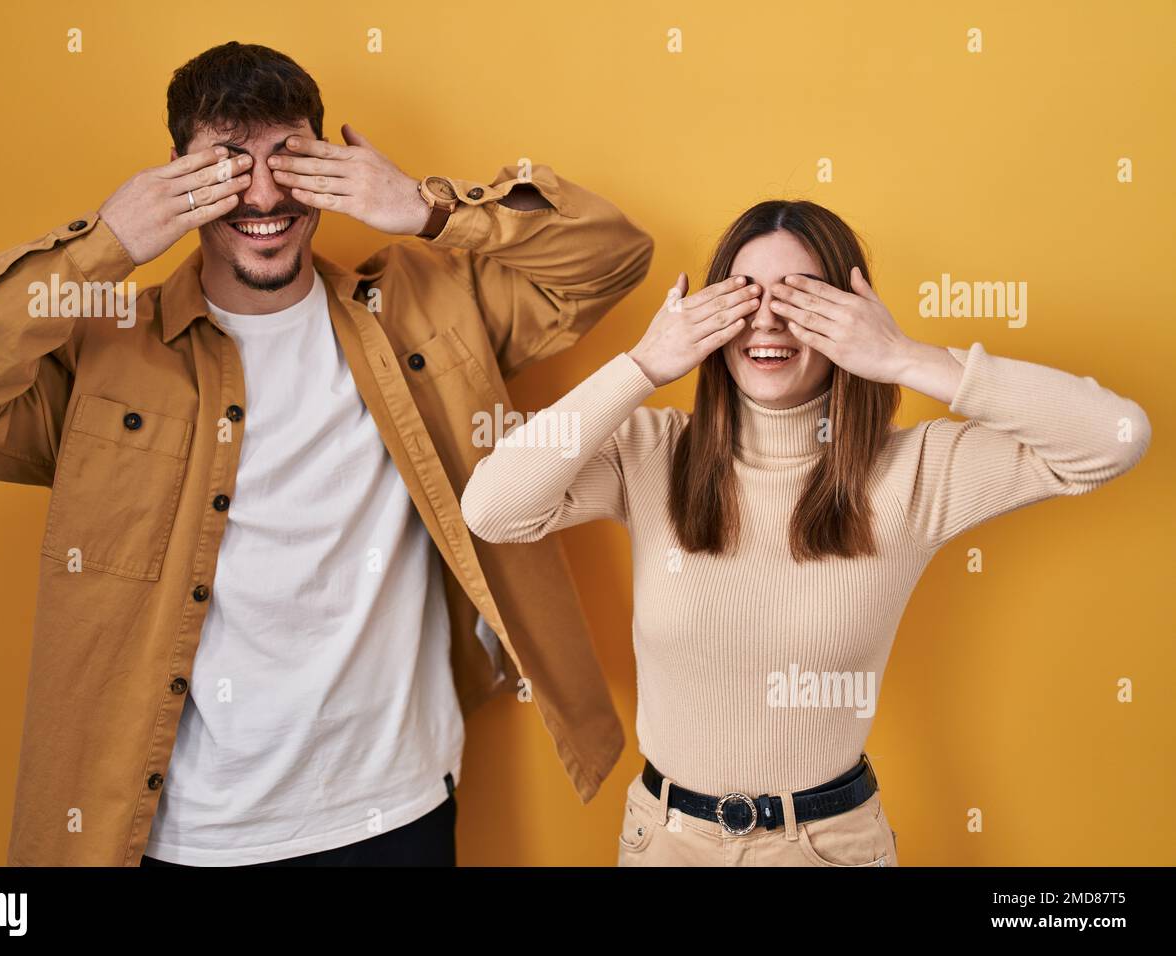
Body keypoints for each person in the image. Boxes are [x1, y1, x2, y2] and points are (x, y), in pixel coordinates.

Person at [0, 41, 653, 866]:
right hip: (190, 836)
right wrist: (105, 242)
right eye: (223, 166)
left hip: (396, 812)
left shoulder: (424, 308)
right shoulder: (108, 352)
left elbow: (612, 259)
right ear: (173, 179)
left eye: (291, 158)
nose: (263, 194)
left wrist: (425, 206)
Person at [459, 199, 1151, 866]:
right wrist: (641, 368)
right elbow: (492, 508)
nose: (768, 322)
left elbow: (1115, 438)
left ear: (849, 317)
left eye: (800, 300)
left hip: (827, 847)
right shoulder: (652, 451)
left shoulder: (915, 473)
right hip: (665, 841)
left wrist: (904, 357)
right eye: (743, 296)